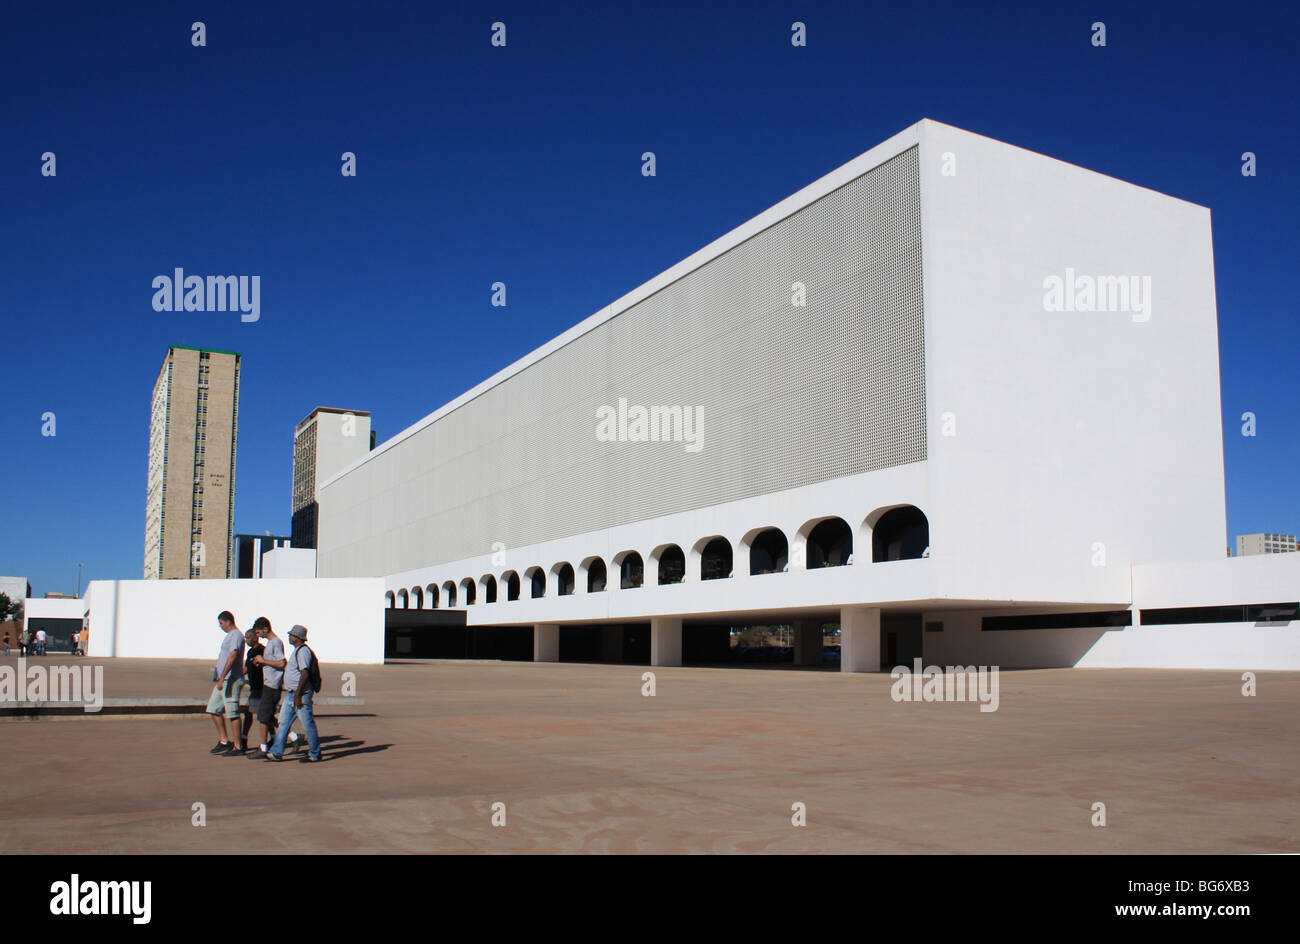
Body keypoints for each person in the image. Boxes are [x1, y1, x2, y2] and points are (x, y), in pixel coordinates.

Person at [267, 625, 320, 763]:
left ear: (298, 637)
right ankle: (276, 752)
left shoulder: (303, 652)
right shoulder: (297, 650)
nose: (289, 637)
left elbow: (304, 673)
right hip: (292, 694)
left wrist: (298, 695)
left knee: (307, 724)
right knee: (283, 723)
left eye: (291, 635)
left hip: (300, 694)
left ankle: (315, 753)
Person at [249, 617, 296, 757]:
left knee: (263, 717)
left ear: (265, 629)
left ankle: (263, 747)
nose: (258, 636)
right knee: (268, 716)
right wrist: (261, 662)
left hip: (272, 685)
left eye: (259, 632)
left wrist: (263, 660)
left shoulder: (275, 643)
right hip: (269, 684)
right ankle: (294, 737)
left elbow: (281, 663)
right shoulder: (271, 643)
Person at [206, 611, 246, 755]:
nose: (220, 626)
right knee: (213, 708)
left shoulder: (236, 635)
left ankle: (238, 746)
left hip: (231, 679)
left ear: (228, 621)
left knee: (232, 712)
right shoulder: (230, 636)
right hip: (223, 680)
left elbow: (233, 654)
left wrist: (223, 676)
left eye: (221, 623)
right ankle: (224, 741)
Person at [225, 628, 263, 756]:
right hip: (254, 688)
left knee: (265, 717)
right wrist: (235, 675)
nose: (246, 640)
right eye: (245, 638)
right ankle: (244, 738)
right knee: (250, 713)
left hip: (261, 688)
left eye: (248, 638)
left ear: (255, 638)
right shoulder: (250, 652)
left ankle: (290, 736)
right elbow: (246, 668)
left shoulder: (261, 650)